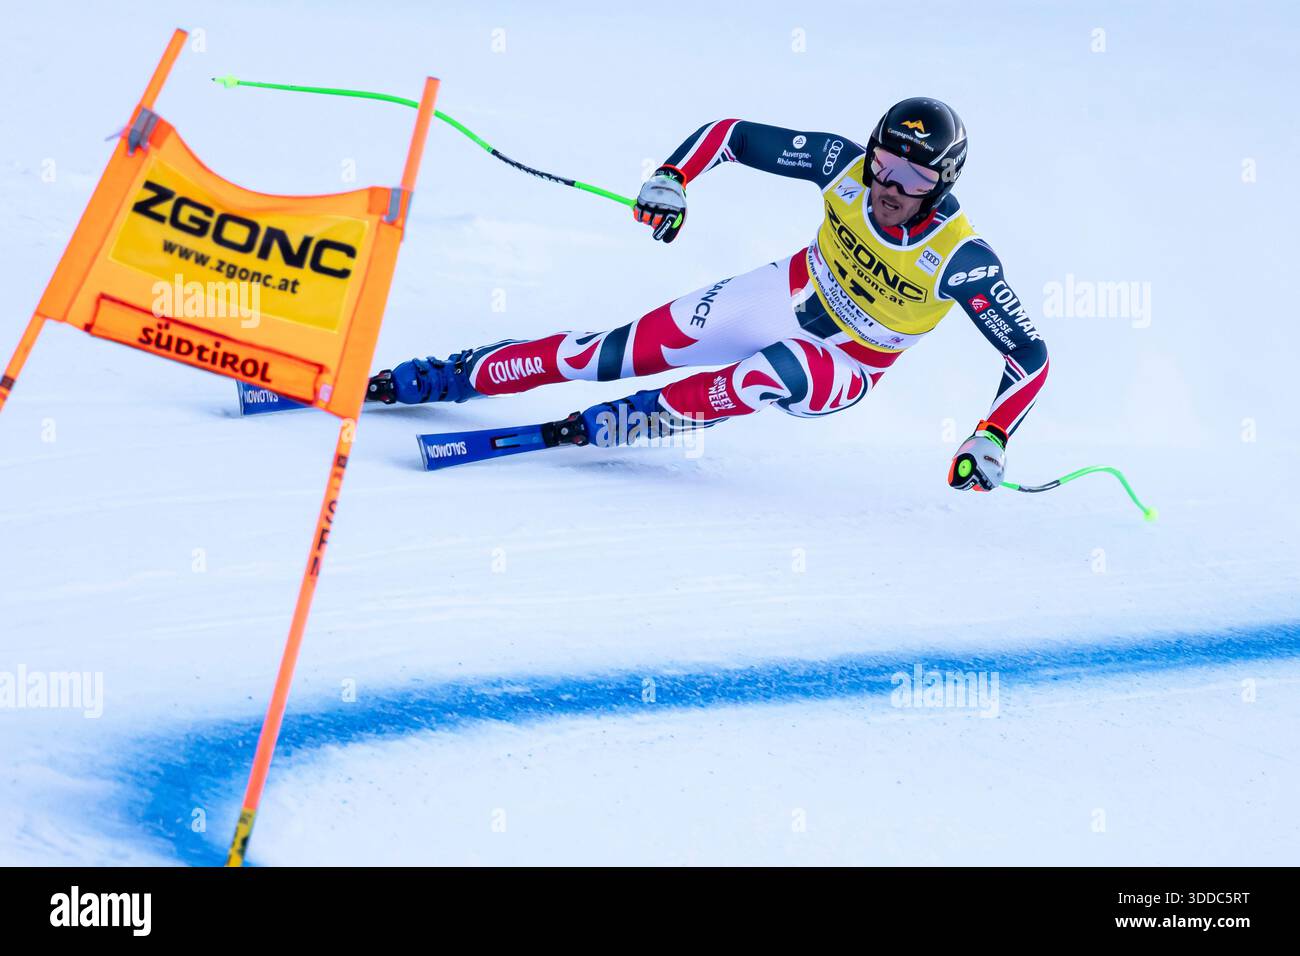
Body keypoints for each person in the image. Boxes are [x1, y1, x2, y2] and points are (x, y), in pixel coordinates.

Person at [367, 97, 1048, 492]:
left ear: (945, 183)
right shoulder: (840, 163)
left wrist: (992, 436)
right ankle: (440, 377)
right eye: (884, 162)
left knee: (767, 373)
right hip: (784, 293)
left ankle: (630, 419)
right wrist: (672, 178)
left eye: (913, 177)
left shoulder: (960, 259)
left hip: (849, 363)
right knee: (603, 352)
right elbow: (730, 136)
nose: (889, 185)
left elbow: (1030, 355)